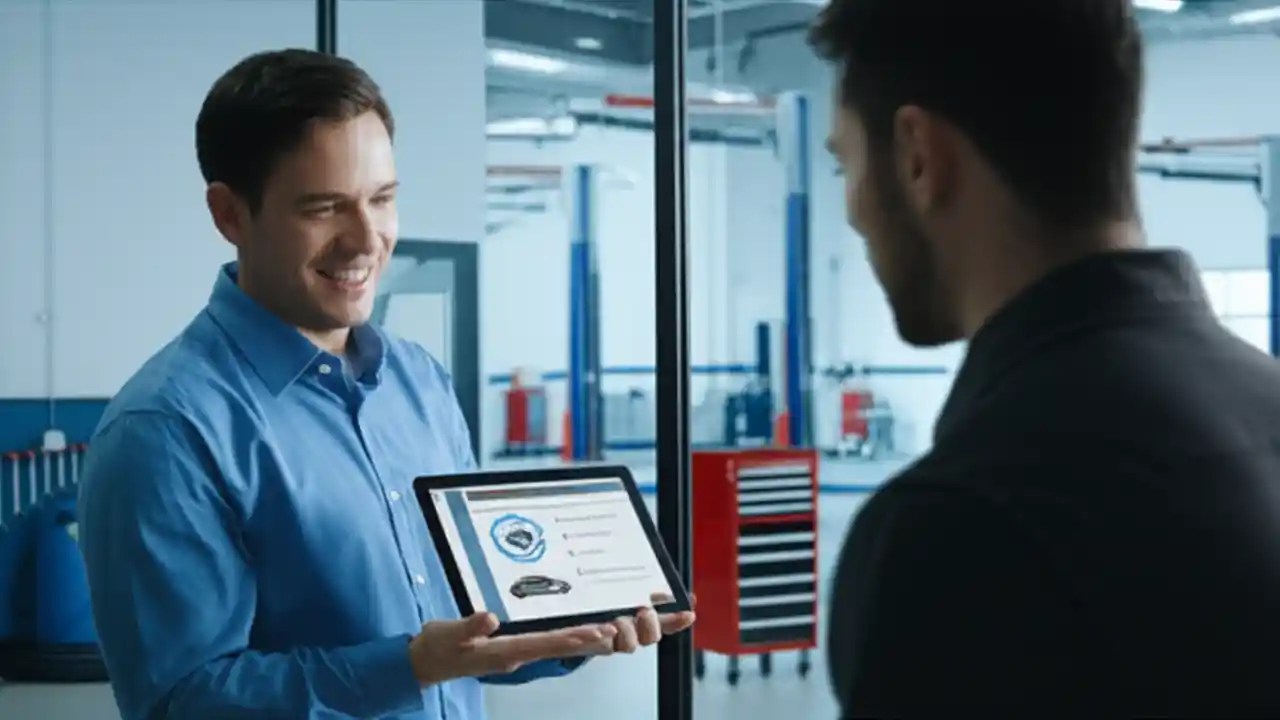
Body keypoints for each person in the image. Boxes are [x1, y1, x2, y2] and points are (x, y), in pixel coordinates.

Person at [76, 49, 694, 720]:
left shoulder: (418, 382)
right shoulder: (167, 431)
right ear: (230, 215)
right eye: (324, 209)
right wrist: (410, 666)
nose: (366, 240)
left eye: (383, 199)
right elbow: (180, 702)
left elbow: (466, 628)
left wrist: (568, 625)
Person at [808, 0, 1280, 716]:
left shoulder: (962, 532)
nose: (851, 209)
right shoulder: (1266, 403)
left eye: (846, 161)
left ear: (916, 157)